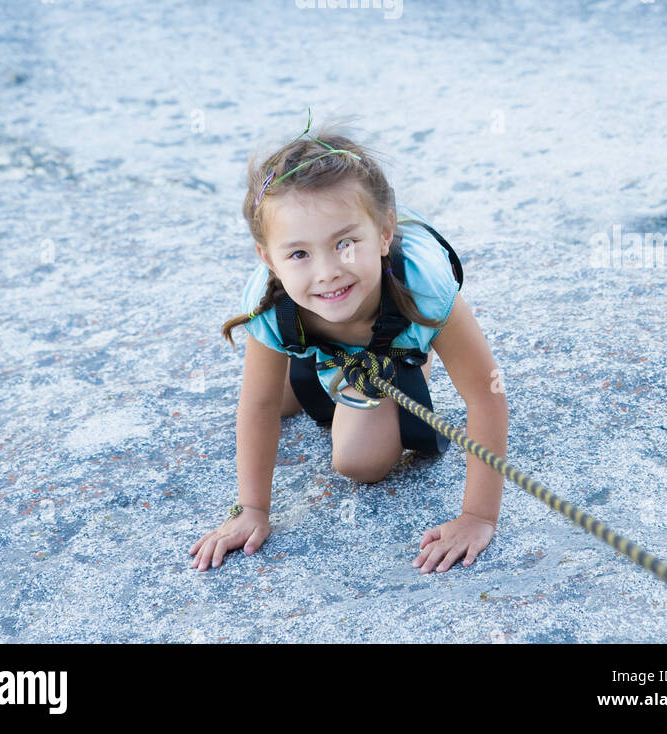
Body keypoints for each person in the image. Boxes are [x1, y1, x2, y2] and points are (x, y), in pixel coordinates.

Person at [189, 118, 508, 575]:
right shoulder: (269, 302)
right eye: (299, 253)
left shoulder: (425, 286)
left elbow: (486, 393)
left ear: (383, 234)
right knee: (277, 405)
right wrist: (252, 510)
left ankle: (412, 359)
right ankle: (321, 368)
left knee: (359, 461)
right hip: (318, 344)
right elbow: (256, 405)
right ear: (268, 259)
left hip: (390, 337)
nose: (327, 272)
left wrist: (478, 516)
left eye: (345, 243)